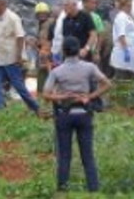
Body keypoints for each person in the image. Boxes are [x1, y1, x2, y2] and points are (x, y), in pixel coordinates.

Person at [42, 36, 112, 194]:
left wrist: (62, 97)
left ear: (63, 51)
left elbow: (46, 94)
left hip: (64, 115)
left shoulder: (57, 71)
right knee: (88, 156)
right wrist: (91, 96)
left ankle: (62, 191)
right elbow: (107, 84)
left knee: (64, 156)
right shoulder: (89, 67)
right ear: (78, 50)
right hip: (84, 114)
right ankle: (94, 191)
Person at [0, 0, 41, 114]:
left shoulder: (13, 18)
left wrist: (19, 56)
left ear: (2, 4)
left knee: (18, 85)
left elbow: (20, 36)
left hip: (11, 58)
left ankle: (35, 107)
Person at [110, 0, 134, 83]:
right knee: (123, 80)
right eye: (128, 3)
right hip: (123, 53)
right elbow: (121, 35)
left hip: (133, 52)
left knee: (132, 79)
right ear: (123, 4)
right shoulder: (121, 17)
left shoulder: (129, 16)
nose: (131, 5)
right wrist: (126, 50)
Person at [33, 2, 57, 99]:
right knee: (43, 73)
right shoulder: (41, 25)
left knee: (49, 74)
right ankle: (42, 94)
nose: (41, 16)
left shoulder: (49, 24)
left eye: (43, 14)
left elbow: (48, 39)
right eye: (39, 14)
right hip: (44, 53)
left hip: (48, 54)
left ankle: (49, 94)